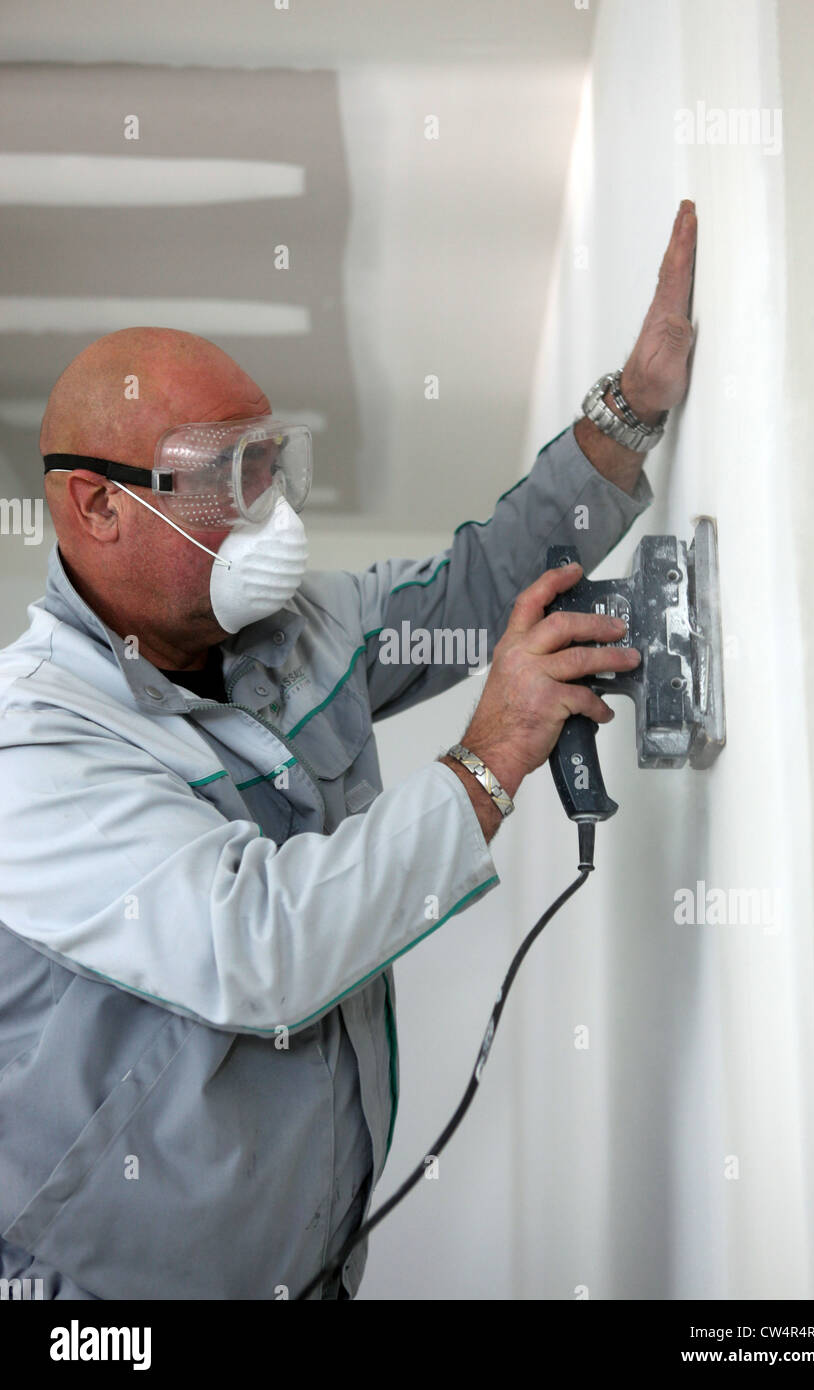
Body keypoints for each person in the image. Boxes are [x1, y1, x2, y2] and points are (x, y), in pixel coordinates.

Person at [0, 202, 696, 1300]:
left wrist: (626, 413)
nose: (268, 512)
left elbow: (479, 581)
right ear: (95, 506)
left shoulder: (290, 634)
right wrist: (486, 758)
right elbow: (259, 945)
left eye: (272, 464)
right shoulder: (34, 749)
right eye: (225, 476)